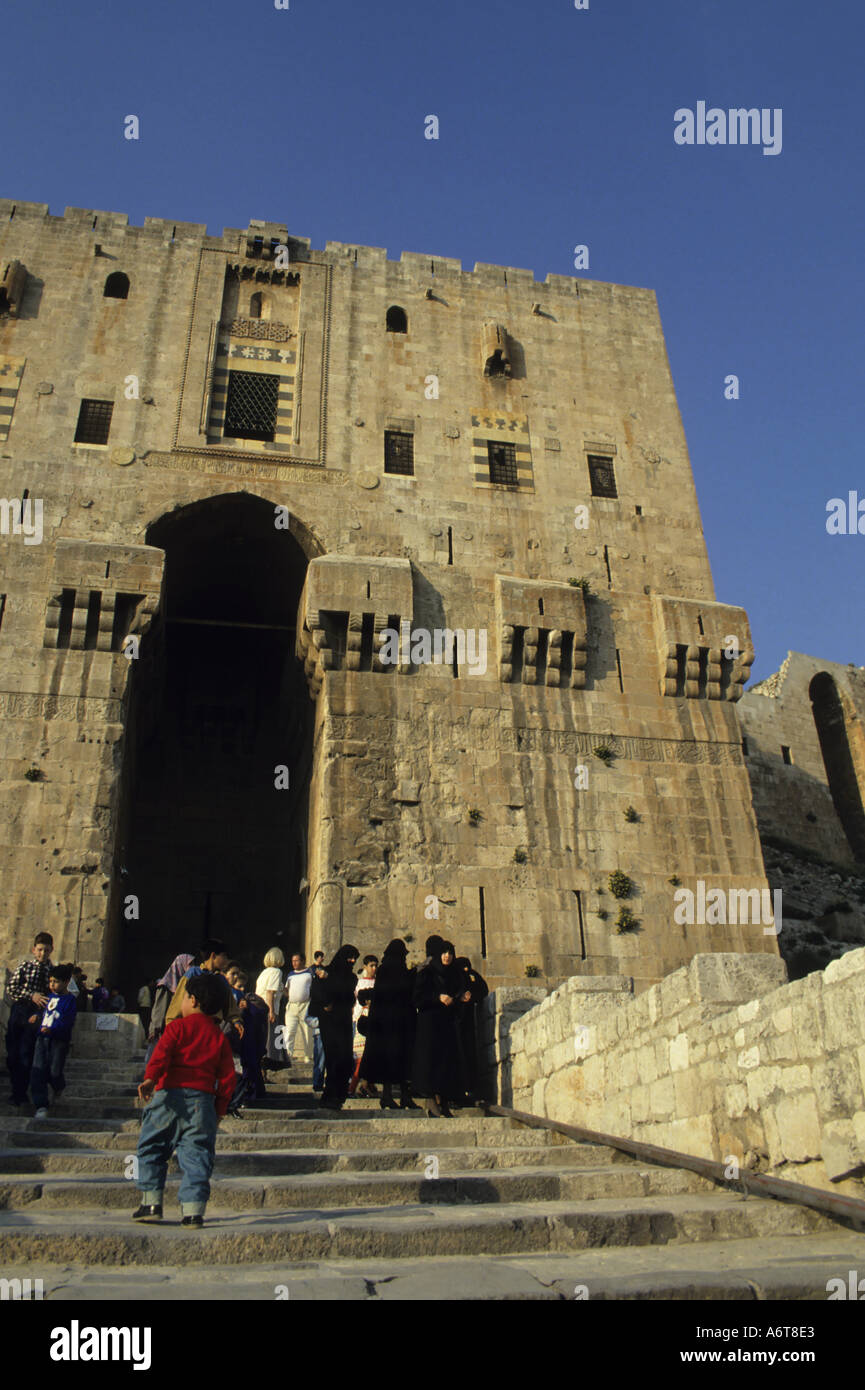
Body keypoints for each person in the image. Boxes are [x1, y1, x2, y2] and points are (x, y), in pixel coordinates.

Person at [133, 972, 236, 1227]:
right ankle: (193, 1210)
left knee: (152, 1147)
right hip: (202, 1103)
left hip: (169, 1097)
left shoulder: (176, 1028)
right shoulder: (218, 1037)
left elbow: (161, 1054)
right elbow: (227, 1078)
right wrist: (220, 1109)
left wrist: (149, 1079)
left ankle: (151, 1202)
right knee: (197, 1155)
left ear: (191, 1000)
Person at [411, 936, 468, 1118]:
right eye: (444, 952)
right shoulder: (427, 972)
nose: (447, 956)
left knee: (446, 1063)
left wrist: (460, 997)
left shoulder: (454, 974)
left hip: (447, 1023)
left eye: (450, 953)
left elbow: (459, 991)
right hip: (430, 1024)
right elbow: (417, 998)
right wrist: (438, 998)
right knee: (431, 1062)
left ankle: (444, 1103)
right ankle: (431, 1102)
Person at [360, 939, 419, 1110]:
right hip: (394, 1024)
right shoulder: (393, 970)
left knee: (398, 1061)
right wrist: (414, 973)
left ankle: (401, 1097)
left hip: (391, 1023)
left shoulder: (385, 970)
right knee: (394, 1061)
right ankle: (389, 1097)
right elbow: (401, 988)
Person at [4, 932, 54, 1107]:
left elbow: (54, 997)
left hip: (36, 1015)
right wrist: (31, 995)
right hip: (20, 1010)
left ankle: (19, 1093)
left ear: (51, 951)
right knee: (12, 1054)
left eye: (46, 950)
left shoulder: (52, 972)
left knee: (26, 1053)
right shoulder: (26, 966)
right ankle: (15, 1087)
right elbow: (11, 987)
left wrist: (40, 1014)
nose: (42, 953)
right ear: (34, 950)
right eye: (40, 950)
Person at [309, 944, 359, 1110]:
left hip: (343, 1020)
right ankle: (330, 1095)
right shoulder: (325, 972)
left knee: (344, 1058)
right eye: (350, 957)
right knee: (333, 1058)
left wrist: (328, 978)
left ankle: (338, 1095)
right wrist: (325, 1003)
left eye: (354, 958)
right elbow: (316, 991)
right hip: (329, 1021)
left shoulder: (350, 977)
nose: (352, 961)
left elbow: (345, 991)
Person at [30, 963, 77, 1119]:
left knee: (54, 1071)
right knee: (38, 1070)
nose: (52, 985)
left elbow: (68, 1021)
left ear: (65, 982)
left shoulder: (70, 1000)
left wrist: (54, 1029)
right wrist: (36, 1017)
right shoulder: (48, 997)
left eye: (55, 981)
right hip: (42, 1038)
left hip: (58, 1040)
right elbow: (43, 1011)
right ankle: (41, 1105)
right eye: (50, 981)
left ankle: (59, 1086)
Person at [166, 941, 238, 1029]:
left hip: (212, 1029)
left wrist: (236, 1021)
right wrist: (171, 1025)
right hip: (191, 1027)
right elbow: (178, 1002)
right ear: (213, 956)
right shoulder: (193, 973)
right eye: (224, 956)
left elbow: (231, 1007)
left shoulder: (222, 980)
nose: (226, 960)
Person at [146, 953, 194, 1064]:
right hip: (164, 1031)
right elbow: (159, 1009)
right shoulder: (166, 986)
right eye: (189, 965)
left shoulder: (184, 986)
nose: (191, 968)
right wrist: (155, 1028)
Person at [454, 955, 489, 1103]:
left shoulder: (471, 976)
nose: (466, 970)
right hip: (454, 1023)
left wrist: (472, 995)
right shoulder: (454, 977)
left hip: (467, 1024)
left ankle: (470, 1090)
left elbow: (482, 991)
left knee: (469, 1056)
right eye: (464, 967)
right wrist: (459, 996)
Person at [350, 955, 378, 1097]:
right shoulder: (359, 983)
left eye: (375, 966)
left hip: (374, 1024)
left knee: (372, 1058)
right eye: (371, 965)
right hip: (360, 1024)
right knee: (360, 1059)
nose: (374, 968)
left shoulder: (379, 983)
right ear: (365, 966)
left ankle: (367, 1086)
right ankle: (352, 1087)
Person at [255, 947, 286, 1074]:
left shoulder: (264, 972)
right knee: (269, 1043)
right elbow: (269, 992)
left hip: (259, 1009)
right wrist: (271, 1012)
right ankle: (263, 1074)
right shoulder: (276, 972)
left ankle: (263, 1074)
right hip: (267, 1009)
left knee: (263, 1041)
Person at [282, 952, 314, 1068]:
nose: (294, 963)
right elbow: (286, 989)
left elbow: (314, 988)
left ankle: (308, 1056)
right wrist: (284, 991)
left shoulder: (310, 973)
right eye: (293, 961)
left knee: (307, 1030)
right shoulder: (290, 974)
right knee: (290, 1030)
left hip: (305, 1005)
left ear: (303, 961)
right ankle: (288, 1055)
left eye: (297, 960)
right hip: (292, 1006)